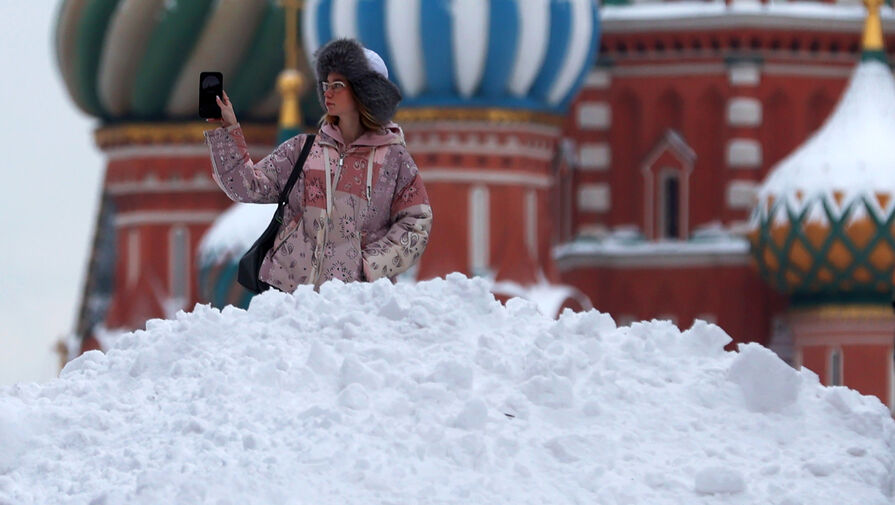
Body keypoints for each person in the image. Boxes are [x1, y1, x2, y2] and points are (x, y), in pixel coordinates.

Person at [204, 38, 432, 291]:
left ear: (365, 91)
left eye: (337, 84)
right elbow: (246, 187)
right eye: (326, 84)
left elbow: (416, 223)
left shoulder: (395, 160)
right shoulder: (303, 150)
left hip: (355, 301)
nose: (327, 92)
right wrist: (228, 130)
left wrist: (370, 265)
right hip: (291, 297)